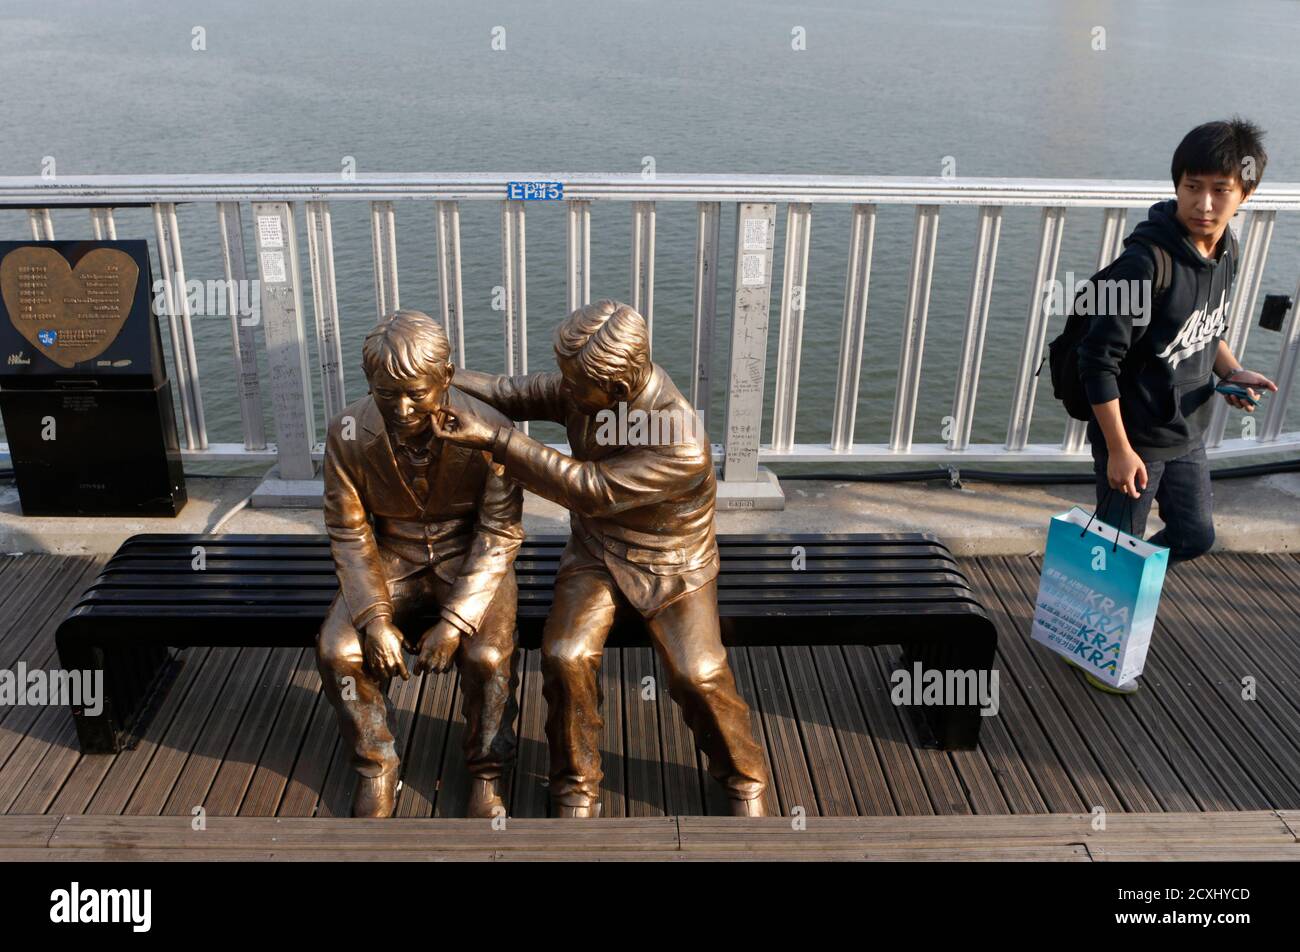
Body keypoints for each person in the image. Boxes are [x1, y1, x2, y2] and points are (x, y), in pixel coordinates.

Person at [433, 300, 769, 817]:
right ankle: (575, 782)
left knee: (698, 672)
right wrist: (442, 375)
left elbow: (589, 488)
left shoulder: (679, 440)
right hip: (595, 550)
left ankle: (744, 775)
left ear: (616, 390)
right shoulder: (584, 389)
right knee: (565, 654)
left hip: (671, 564)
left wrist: (498, 440)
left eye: (572, 384)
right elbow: (507, 392)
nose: (561, 388)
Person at [1075, 117, 1278, 694]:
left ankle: (1119, 590)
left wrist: (1231, 371)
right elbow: (1098, 359)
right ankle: (1091, 650)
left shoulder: (1225, 252)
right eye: (1192, 186)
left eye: (1220, 191)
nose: (1204, 203)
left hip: (1187, 431)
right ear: (1177, 184)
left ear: (1245, 196)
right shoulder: (1146, 264)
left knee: (1193, 535)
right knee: (1117, 551)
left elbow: (1206, 329)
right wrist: (1117, 449)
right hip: (1133, 439)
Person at [316, 309, 524, 817]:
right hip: (390, 556)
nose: (403, 408)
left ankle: (486, 770)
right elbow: (348, 529)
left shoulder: (491, 429)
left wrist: (454, 624)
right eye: (387, 395)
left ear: (445, 378)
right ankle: (376, 763)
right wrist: (374, 618)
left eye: (417, 392)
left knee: (487, 657)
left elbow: (499, 530)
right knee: (338, 649)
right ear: (369, 385)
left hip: (470, 554)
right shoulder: (346, 433)